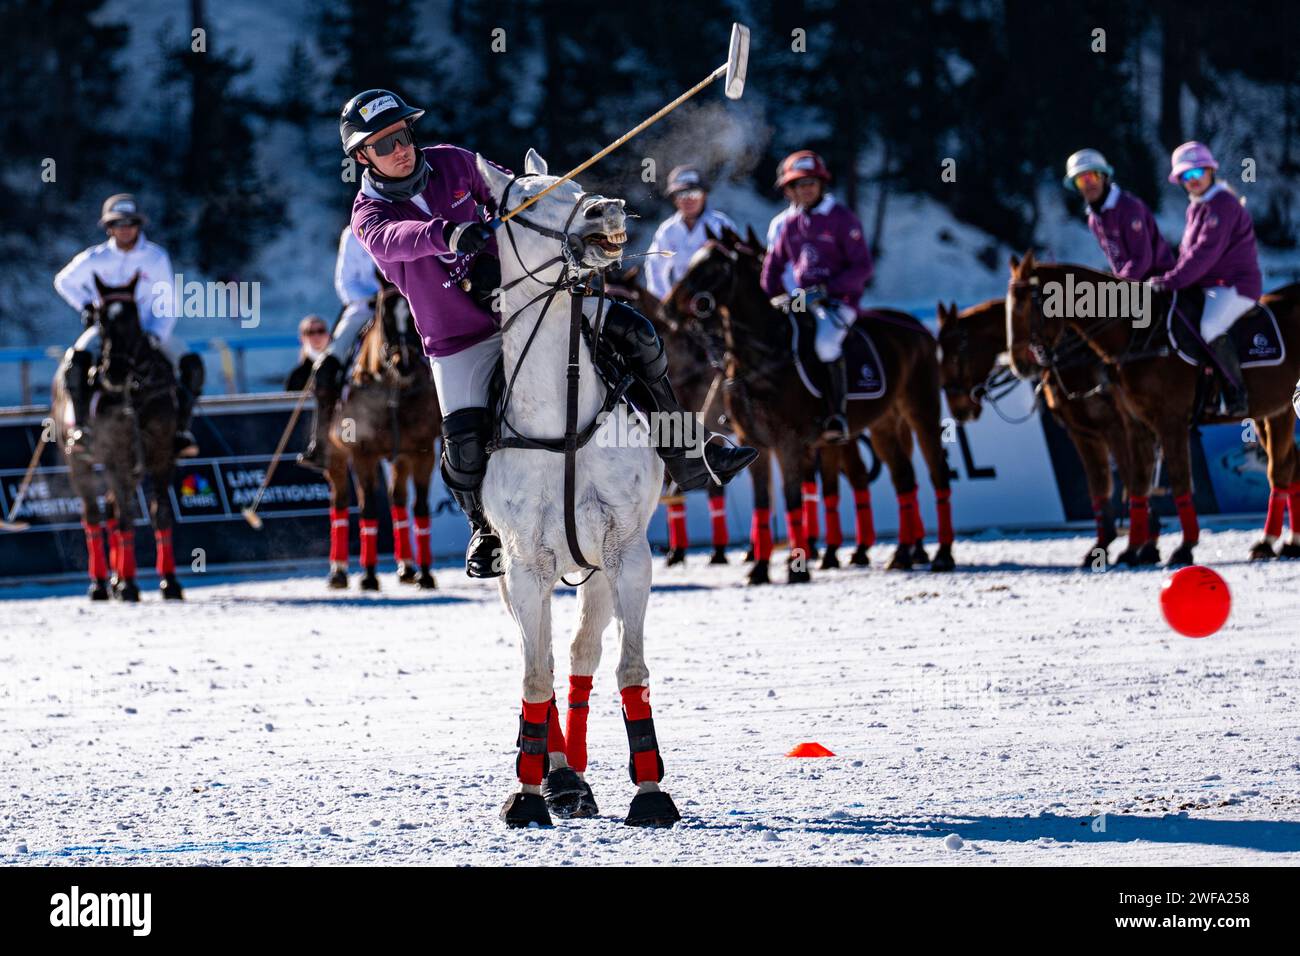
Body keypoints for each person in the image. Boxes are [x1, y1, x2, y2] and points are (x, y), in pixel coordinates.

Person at [339, 89, 756, 577]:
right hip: (458, 340)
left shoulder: (453, 162)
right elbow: (396, 240)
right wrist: (447, 233)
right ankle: (485, 531)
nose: (402, 148)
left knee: (636, 336)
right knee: (463, 444)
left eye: (404, 134)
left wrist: (580, 215)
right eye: (385, 144)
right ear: (362, 155)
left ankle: (687, 452)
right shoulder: (367, 214)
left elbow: (518, 193)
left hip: (529, 303)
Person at [54, 194, 203, 457]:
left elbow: (168, 302)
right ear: (109, 228)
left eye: (130, 223)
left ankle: (181, 430)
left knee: (191, 365)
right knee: (76, 362)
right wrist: (87, 305)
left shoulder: (155, 258)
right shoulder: (94, 258)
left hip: (148, 330)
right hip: (107, 333)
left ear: (138, 225)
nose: (125, 229)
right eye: (118, 223)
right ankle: (81, 428)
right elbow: (63, 281)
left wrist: (156, 335)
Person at [760, 150, 874, 442]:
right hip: (801, 301)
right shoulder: (787, 225)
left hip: (839, 302)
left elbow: (863, 267)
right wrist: (771, 298)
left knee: (824, 345)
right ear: (789, 190)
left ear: (821, 184)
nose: (806, 189)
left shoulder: (841, 218)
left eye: (811, 182)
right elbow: (771, 271)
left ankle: (838, 414)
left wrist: (828, 289)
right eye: (799, 184)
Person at [1149, 141, 1262, 417]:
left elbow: (1203, 255)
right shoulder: (1197, 206)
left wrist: (1170, 281)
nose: (1193, 179)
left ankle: (1237, 394)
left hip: (1237, 286)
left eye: (1198, 171)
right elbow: (1188, 254)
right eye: (1186, 176)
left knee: (1210, 326)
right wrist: (1170, 278)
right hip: (1208, 285)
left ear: (1211, 170)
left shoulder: (1221, 204)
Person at [298, 226, 382, 470]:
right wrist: (373, 298)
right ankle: (321, 444)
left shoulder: (405, 218)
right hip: (363, 309)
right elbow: (345, 284)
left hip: (402, 306)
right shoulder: (352, 234)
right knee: (326, 367)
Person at [1064, 148, 1175, 280]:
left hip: (1160, 282)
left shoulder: (1129, 207)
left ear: (1104, 177)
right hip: (1129, 285)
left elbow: (1142, 259)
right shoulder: (1093, 219)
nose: (1088, 184)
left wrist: (1116, 286)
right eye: (1081, 181)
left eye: (1093, 176)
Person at [644, 165, 735, 300]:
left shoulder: (721, 225)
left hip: (720, 299)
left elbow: (736, 263)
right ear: (674, 198)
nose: (688, 199)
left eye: (694, 193)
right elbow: (655, 268)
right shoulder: (668, 230)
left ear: (704, 195)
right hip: (683, 303)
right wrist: (666, 303)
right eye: (682, 194)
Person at [286, 314, 328, 391]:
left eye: (321, 331)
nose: (316, 336)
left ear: (327, 335)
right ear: (302, 338)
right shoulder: (297, 375)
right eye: (310, 332)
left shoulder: (336, 367)